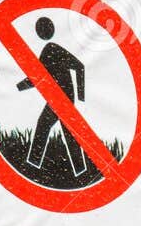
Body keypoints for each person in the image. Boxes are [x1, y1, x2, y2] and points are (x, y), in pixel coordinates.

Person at [16, 16, 89, 176]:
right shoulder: (48, 50)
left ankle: (33, 164)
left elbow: (79, 66)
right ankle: (81, 171)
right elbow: (36, 78)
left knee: (44, 125)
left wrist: (81, 96)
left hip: (62, 98)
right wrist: (19, 87)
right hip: (59, 97)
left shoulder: (51, 49)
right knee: (66, 132)